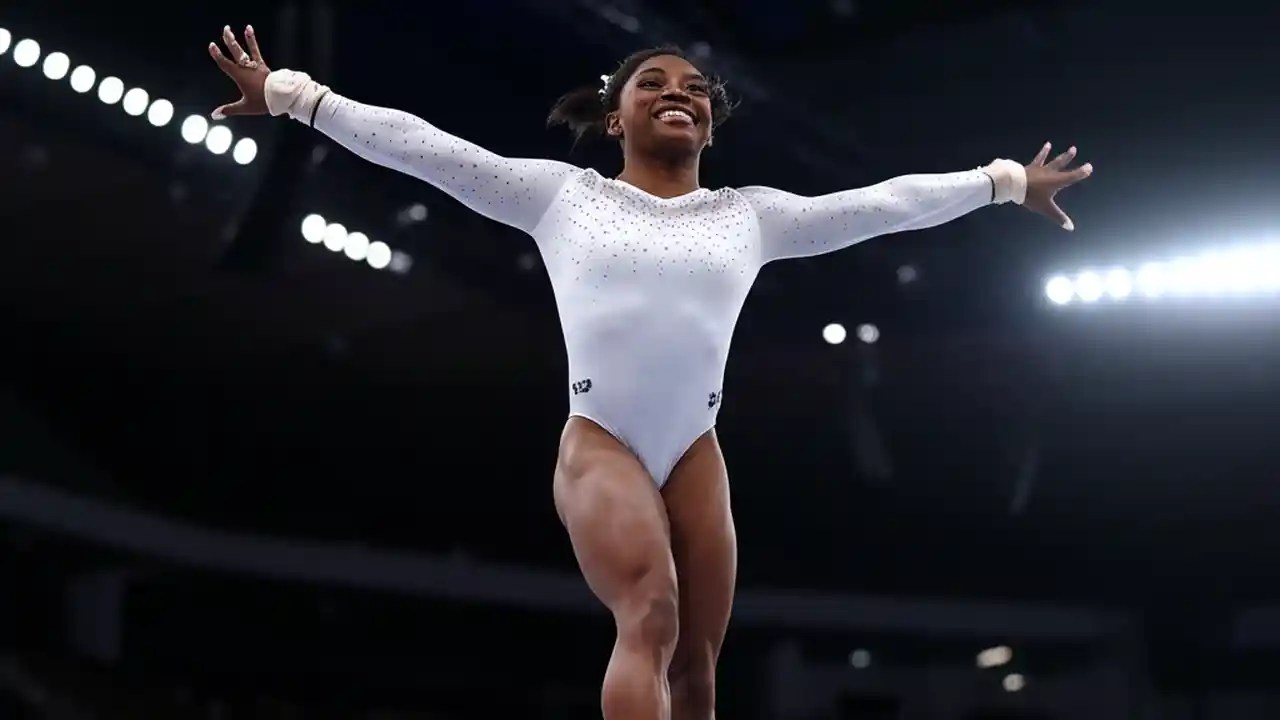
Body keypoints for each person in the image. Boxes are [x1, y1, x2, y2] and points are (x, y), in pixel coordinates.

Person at [208, 24, 1092, 720]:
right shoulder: (562, 197)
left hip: (696, 450)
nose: (680, 95)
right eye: (654, 85)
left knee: (700, 672)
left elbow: (884, 206)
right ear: (616, 114)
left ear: (711, 121)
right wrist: (297, 95)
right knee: (652, 614)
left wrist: (1004, 181)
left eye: (697, 90)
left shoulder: (754, 216)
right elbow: (429, 149)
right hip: (602, 444)